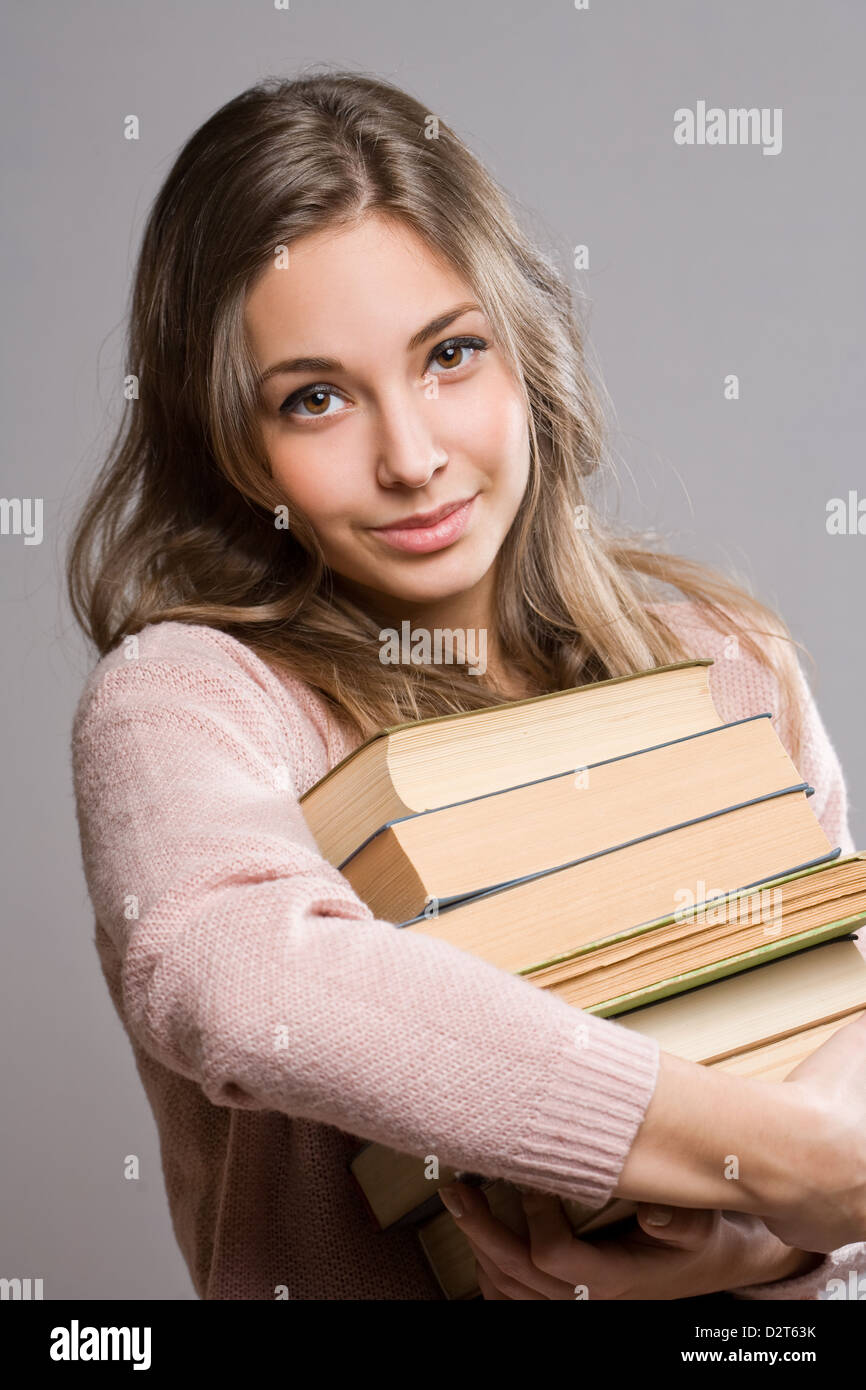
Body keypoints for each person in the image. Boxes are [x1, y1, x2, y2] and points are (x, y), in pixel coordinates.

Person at [67, 70, 866, 1301]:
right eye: (315, 398)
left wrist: (764, 1247)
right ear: (227, 441)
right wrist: (761, 1157)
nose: (413, 455)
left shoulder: (723, 663)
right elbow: (239, 982)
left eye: (449, 354)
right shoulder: (187, 698)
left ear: (522, 349)